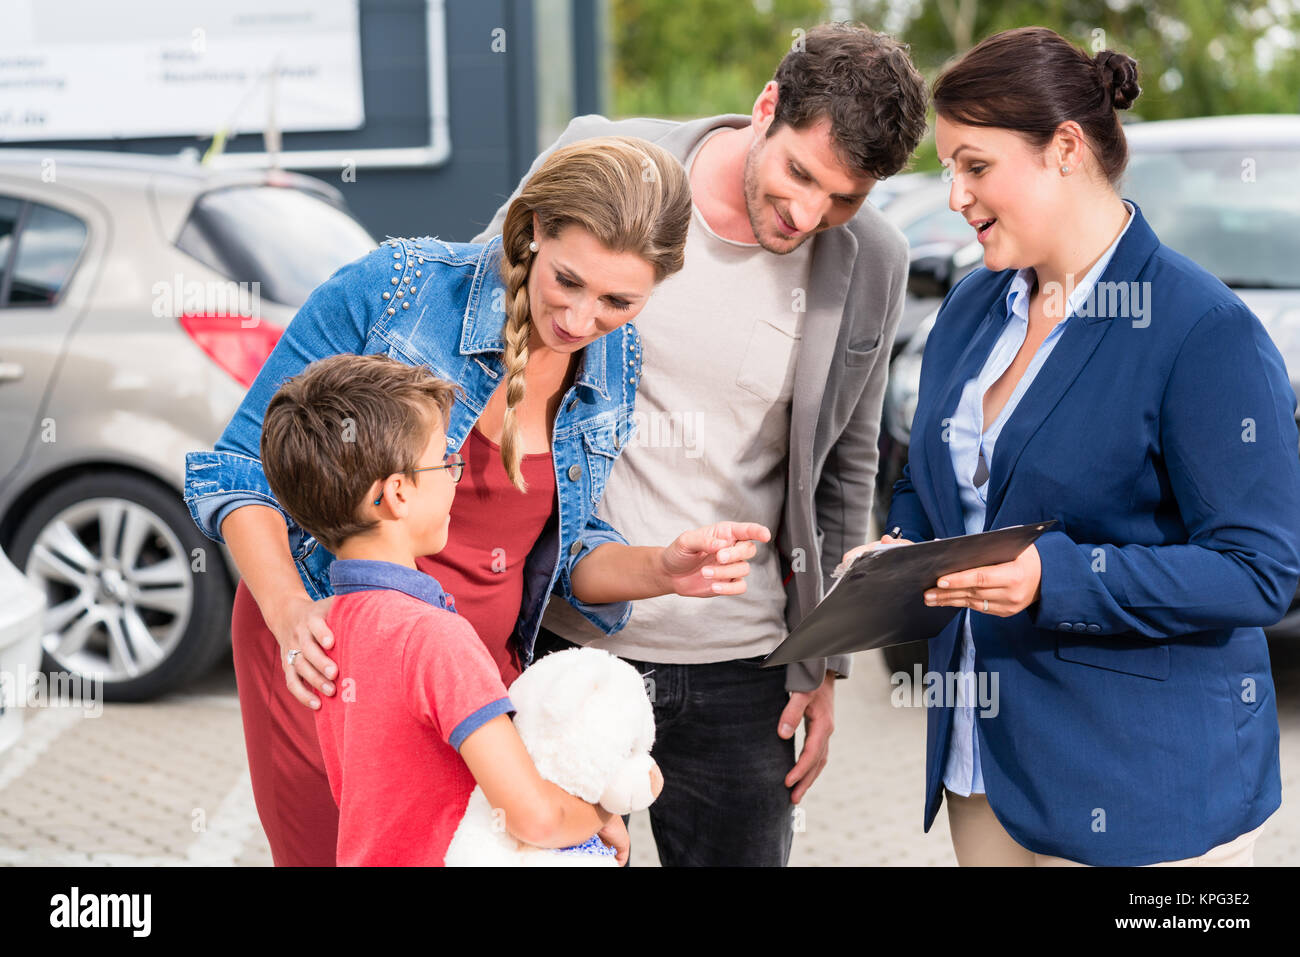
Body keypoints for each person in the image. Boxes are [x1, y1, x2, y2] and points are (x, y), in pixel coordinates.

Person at [185, 137, 768, 867]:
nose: (583, 320)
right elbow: (239, 469)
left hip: (472, 674)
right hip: (332, 654)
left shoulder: (618, 358)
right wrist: (289, 613)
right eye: (568, 281)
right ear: (531, 231)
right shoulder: (399, 286)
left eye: (619, 300)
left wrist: (662, 567)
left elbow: (563, 548)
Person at [472, 22, 928, 866]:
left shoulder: (872, 259)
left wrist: (824, 665)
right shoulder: (606, 157)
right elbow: (475, 327)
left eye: (844, 200)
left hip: (744, 672)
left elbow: (843, 471)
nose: (808, 214)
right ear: (766, 108)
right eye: (799, 175)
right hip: (565, 643)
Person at [856, 26, 1300, 865]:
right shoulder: (969, 310)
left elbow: (1259, 569)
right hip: (979, 769)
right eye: (949, 167)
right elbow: (929, 480)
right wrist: (898, 554)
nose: (954, 194)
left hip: (1140, 783)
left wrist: (1049, 578)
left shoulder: (1203, 329)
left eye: (975, 165)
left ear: (1064, 148)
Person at [258, 353, 662, 865]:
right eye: (446, 462)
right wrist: (600, 813)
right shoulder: (435, 637)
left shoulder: (327, 627)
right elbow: (533, 817)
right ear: (398, 494)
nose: (455, 476)